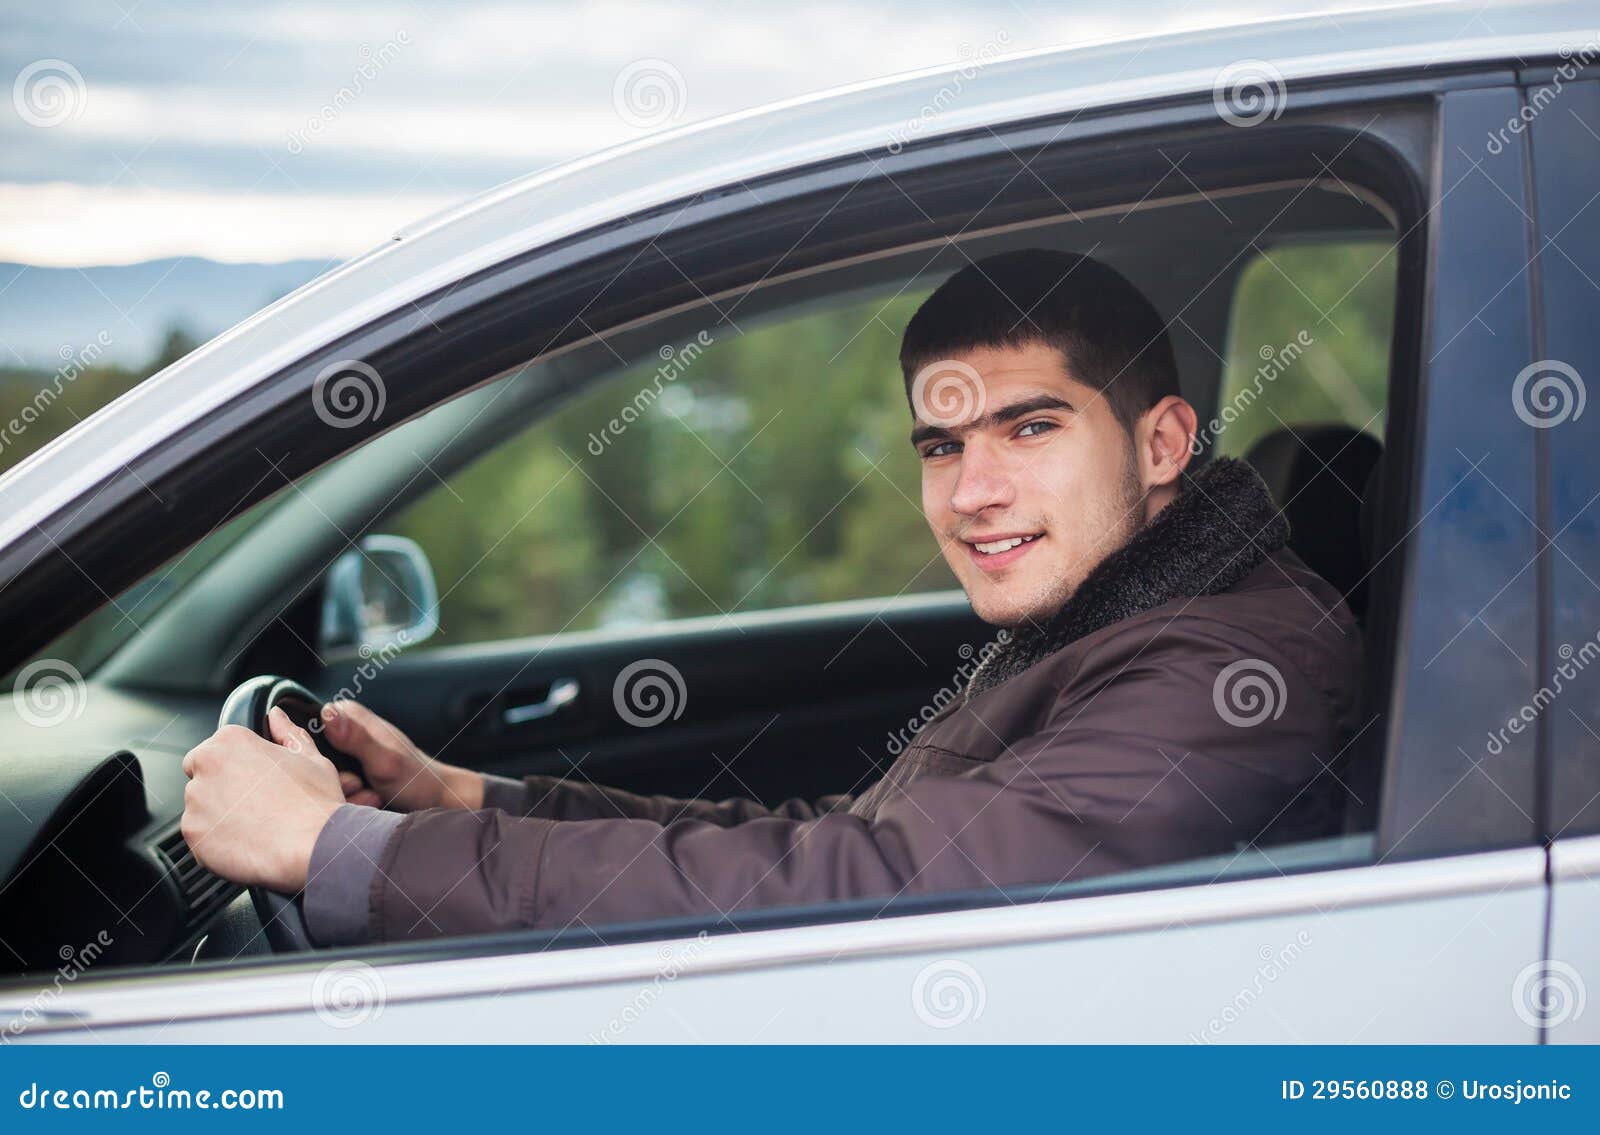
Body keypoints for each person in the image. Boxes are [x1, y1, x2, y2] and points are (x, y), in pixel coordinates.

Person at [181, 249, 1364, 946]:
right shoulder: (1108, 613)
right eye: (942, 446)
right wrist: (463, 797)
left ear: (1161, 444)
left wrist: (347, 854)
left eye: (1031, 427)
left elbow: (857, 893)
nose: (972, 492)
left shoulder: (1220, 674)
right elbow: (839, 839)